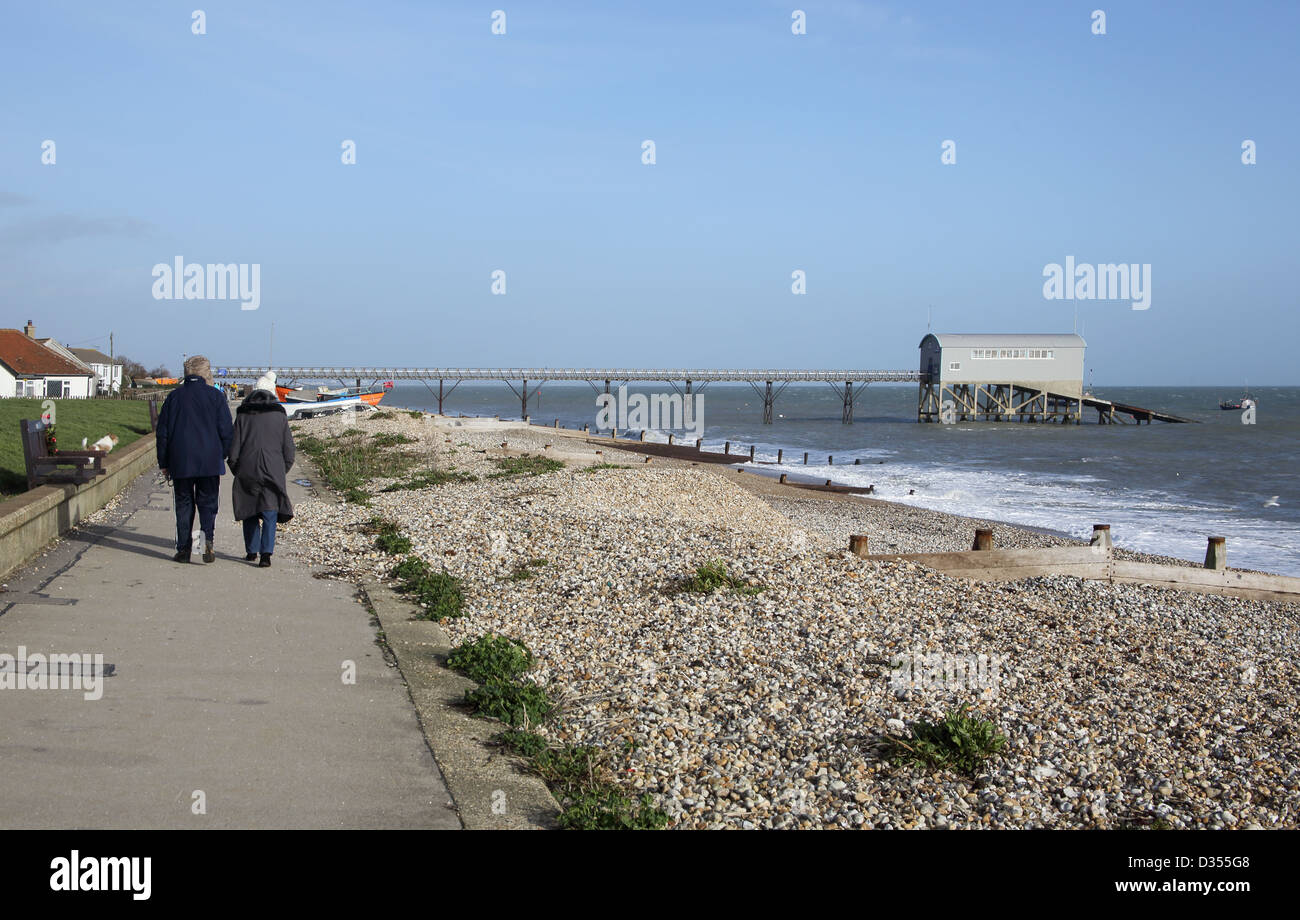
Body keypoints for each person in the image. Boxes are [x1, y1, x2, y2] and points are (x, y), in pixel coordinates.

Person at [156, 355, 233, 563]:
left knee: (184, 504)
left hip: (180, 460)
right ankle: (204, 543)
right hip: (209, 460)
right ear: (206, 373)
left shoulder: (174, 397)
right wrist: (222, 453)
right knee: (207, 504)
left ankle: (184, 549)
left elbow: (163, 433)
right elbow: (226, 431)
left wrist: (163, 462)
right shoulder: (216, 397)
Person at [227, 374, 295, 567]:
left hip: (247, 468)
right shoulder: (279, 415)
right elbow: (289, 450)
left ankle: (251, 551)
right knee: (269, 511)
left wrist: (237, 469)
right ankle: (266, 554)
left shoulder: (242, 415)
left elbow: (234, 450)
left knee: (249, 509)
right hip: (273, 469)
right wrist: (281, 470)